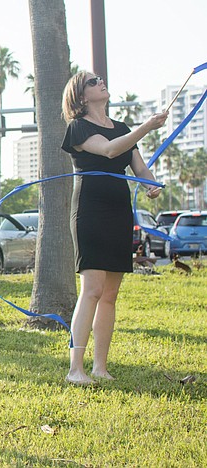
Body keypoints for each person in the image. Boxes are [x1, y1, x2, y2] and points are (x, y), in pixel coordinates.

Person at [60, 71, 167, 386]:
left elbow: (137, 163)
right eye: (92, 82)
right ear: (81, 96)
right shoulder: (78, 128)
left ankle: (100, 367)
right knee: (92, 289)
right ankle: (75, 369)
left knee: (109, 294)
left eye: (99, 79)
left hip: (120, 212)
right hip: (90, 211)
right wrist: (147, 126)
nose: (100, 82)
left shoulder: (122, 128)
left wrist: (150, 183)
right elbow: (108, 150)